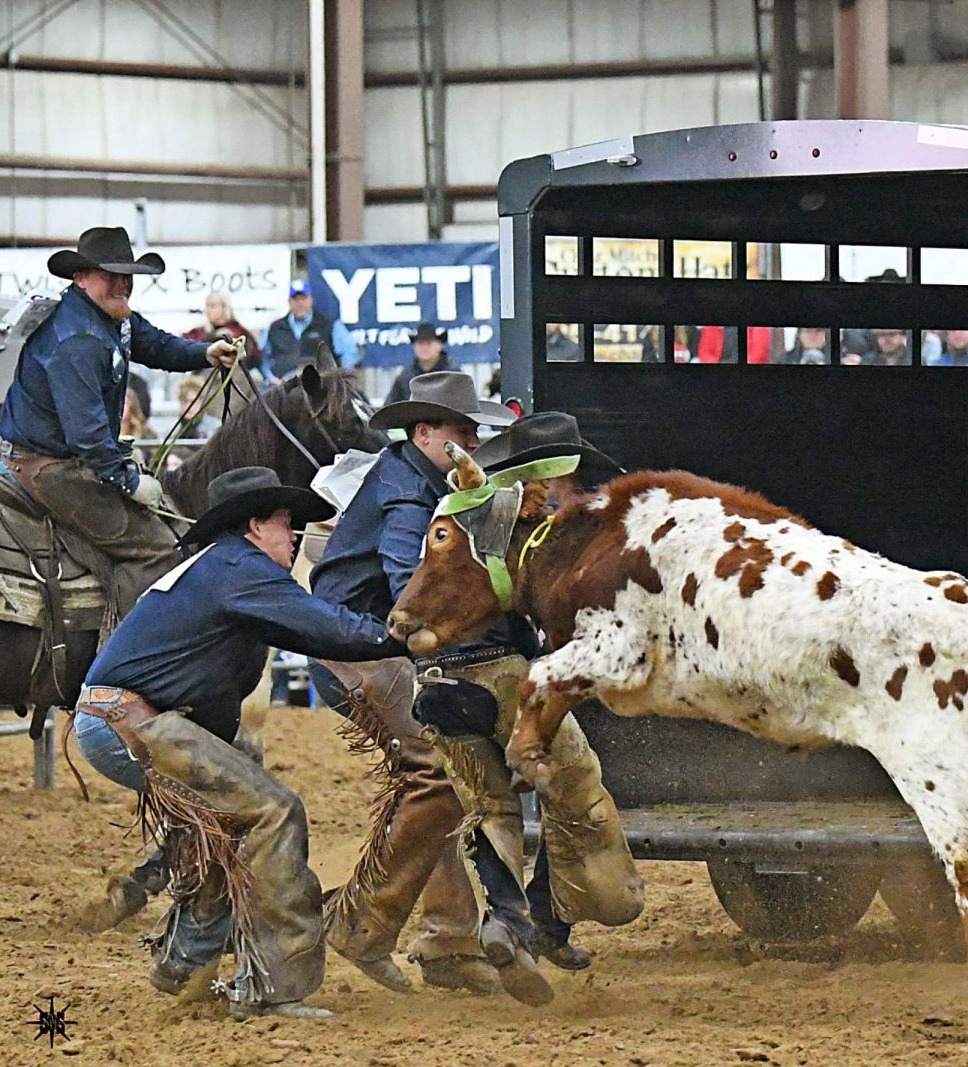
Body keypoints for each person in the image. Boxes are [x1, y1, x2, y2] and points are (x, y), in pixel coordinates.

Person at [73, 467, 406, 1019]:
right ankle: (273, 987)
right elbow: (322, 624)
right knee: (274, 813)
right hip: (132, 722)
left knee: (227, 822)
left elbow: (307, 628)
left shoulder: (218, 570)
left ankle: (185, 962)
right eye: (285, 524)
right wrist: (397, 633)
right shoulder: (240, 569)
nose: (295, 535)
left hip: (119, 718)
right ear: (254, 526)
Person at [307, 372, 524, 998]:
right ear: (424, 432)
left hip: (365, 647)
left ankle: (448, 940)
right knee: (441, 767)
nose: (473, 441)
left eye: (475, 431)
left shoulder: (416, 478)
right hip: (361, 651)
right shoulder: (409, 496)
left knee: (444, 775)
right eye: (462, 431)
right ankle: (365, 926)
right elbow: (413, 585)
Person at [412, 412, 646, 988]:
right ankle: (544, 922)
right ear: (551, 479)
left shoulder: (464, 518)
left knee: (491, 808)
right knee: (574, 797)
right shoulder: (552, 534)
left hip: (438, 683)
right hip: (506, 678)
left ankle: (511, 923)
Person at [0, 226, 238, 614]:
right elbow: (87, 436)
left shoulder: (107, 315)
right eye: (111, 275)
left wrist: (204, 354)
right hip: (46, 466)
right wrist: (127, 480)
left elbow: (154, 344)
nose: (122, 284)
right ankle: (122, 664)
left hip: (60, 458)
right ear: (82, 278)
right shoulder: (77, 338)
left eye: (127, 277)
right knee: (157, 551)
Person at [260, 278, 360, 382]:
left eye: (304, 298)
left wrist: (337, 378)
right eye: (295, 299)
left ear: (311, 299)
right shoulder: (274, 327)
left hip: (321, 387)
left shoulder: (330, 325)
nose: (300, 303)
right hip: (282, 387)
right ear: (289, 302)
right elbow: (263, 358)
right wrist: (271, 378)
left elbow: (350, 353)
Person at [184, 291, 262, 373]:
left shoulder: (239, 332)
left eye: (213, 306)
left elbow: (255, 358)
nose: (208, 311)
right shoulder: (199, 332)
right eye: (207, 306)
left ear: (224, 308)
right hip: (203, 380)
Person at [385, 322, 456, 405]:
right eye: (420, 343)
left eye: (429, 343)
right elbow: (389, 408)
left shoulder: (453, 375)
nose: (424, 348)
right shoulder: (405, 377)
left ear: (439, 345)